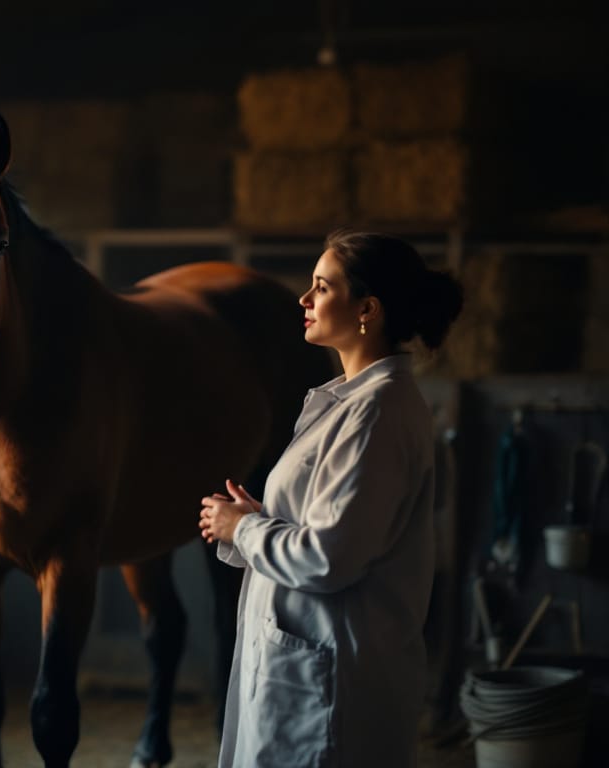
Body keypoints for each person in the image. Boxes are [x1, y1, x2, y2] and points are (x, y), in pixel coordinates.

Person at [198, 229, 463, 767]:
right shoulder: (355, 403)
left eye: (321, 287)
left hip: (332, 682)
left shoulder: (376, 413)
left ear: (367, 309)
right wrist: (258, 519)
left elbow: (329, 556)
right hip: (311, 664)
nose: (304, 299)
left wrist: (242, 530)